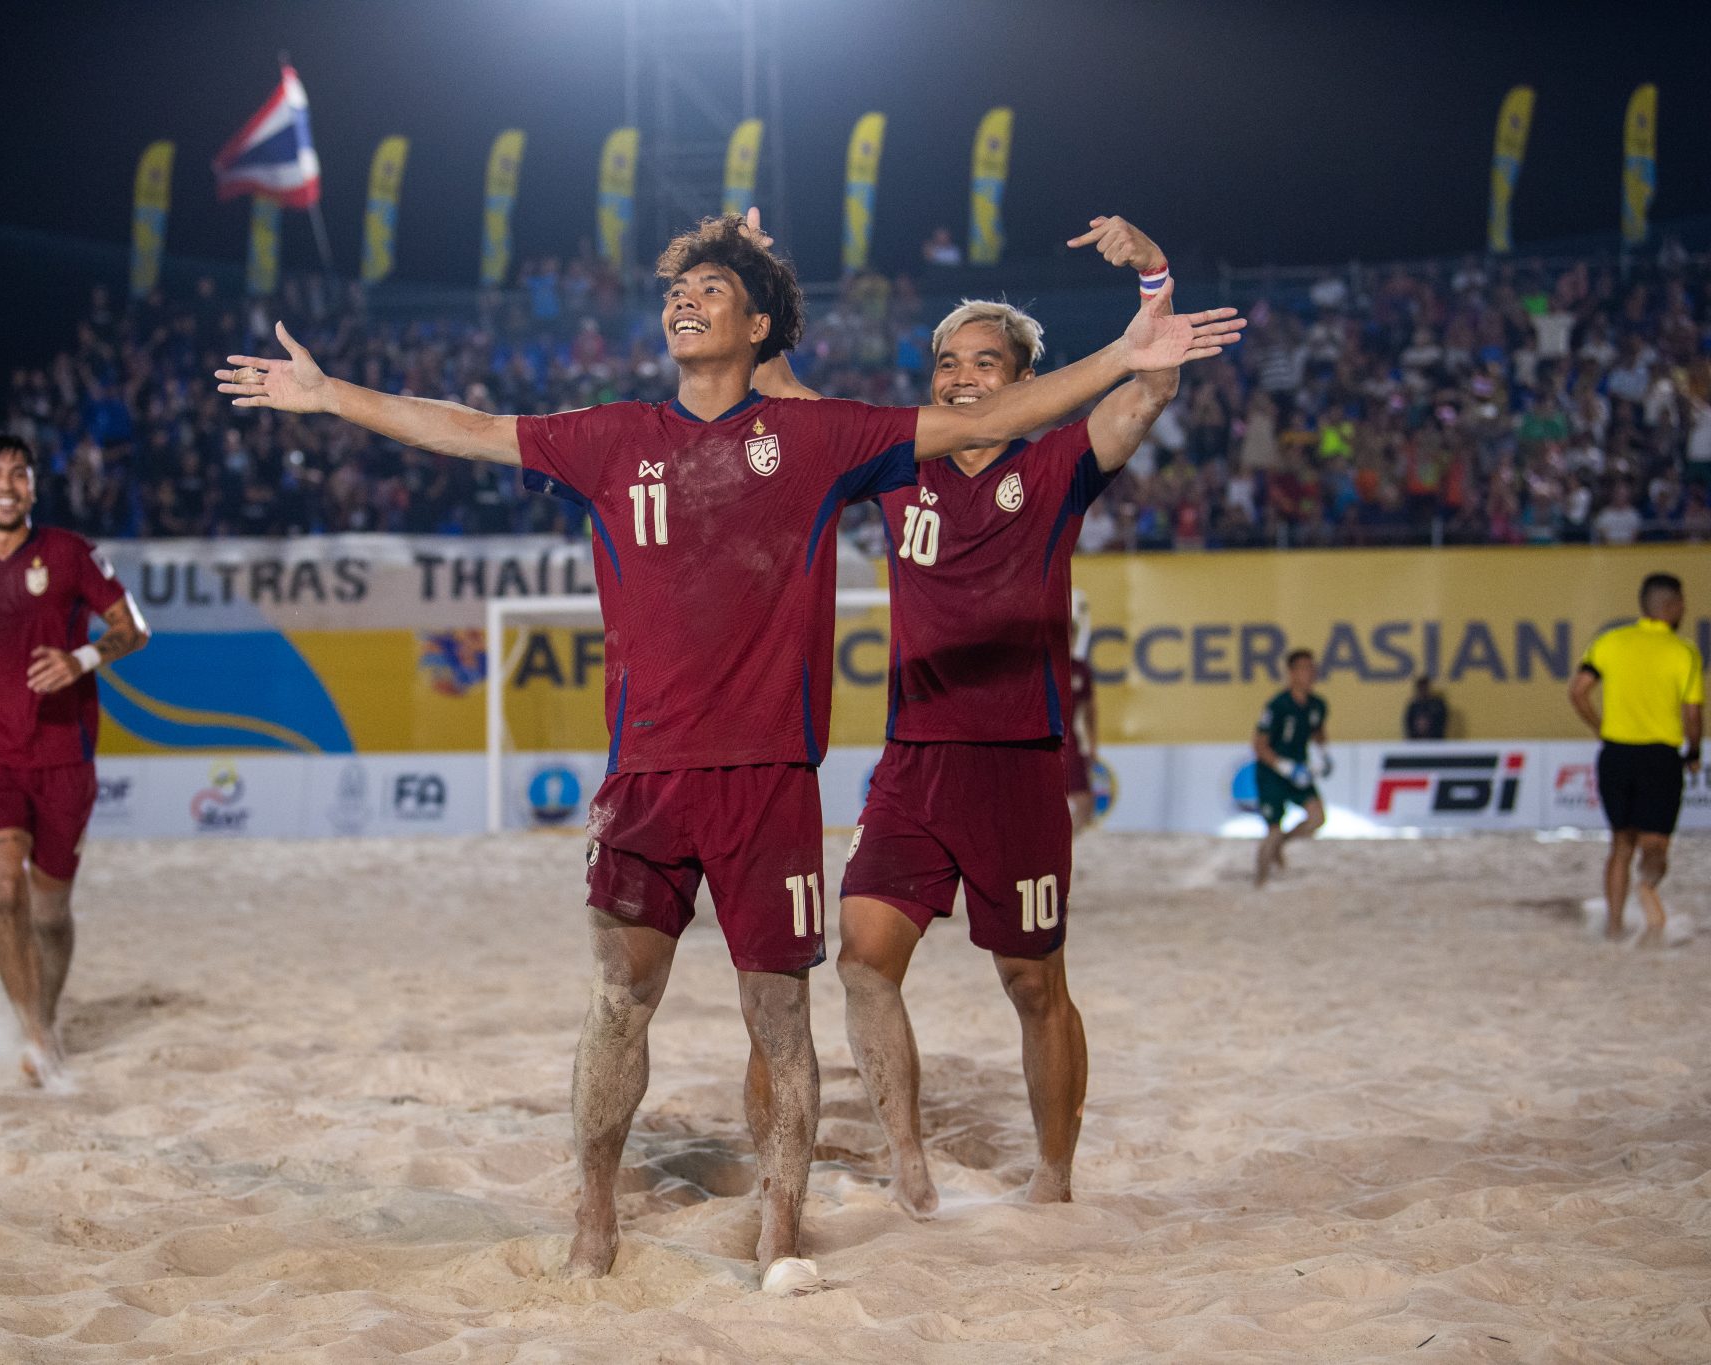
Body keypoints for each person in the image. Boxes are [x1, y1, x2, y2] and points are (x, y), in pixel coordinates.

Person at [217, 211, 1243, 1287]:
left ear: (754, 324)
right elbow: (475, 427)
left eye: (711, 290)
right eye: (677, 290)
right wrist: (330, 396)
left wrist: (1132, 339)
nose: (683, 301)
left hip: (863, 771)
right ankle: (661, 1205)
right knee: (681, 991)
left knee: (875, 1002)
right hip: (716, 772)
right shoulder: (635, 436)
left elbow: (1022, 408)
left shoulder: (874, 447)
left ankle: (866, 1214)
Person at [753, 213, 1179, 1215]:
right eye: (946, 362)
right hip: (912, 763)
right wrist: (752, 269)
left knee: (1031, 987)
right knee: (859, 959)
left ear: (1025, 381)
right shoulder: (898, 465)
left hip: (1016, 766)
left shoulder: (1062, 462)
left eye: (983, 364)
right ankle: (908, 1162)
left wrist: (1151, 274)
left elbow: (1150, 383)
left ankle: (1053, 1176)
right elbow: (776, 384)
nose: (957, 377)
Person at [0, 434, 151, 1086]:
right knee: (4, 888)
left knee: (50, 913)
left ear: (32, 489)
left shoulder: (71, 554)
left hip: (63, 756)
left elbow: (135, 627)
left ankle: (46, 1015)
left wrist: (81, 658)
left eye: (18, 472)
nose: (6, 484)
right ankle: (34, 1034)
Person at [1568, 572, 1703, 946]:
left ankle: (1613, 926)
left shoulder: (1610, 642)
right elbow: (1692, 713)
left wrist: (1602, 729)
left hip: (1616, 754)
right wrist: (1694, 751)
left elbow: (1578, 692)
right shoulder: (1684, 652)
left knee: (1620, 844)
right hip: (1659, 757)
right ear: (1670, 607)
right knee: (1656, 846)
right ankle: (1647, 889)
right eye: (1681, 602)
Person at [1254, 649, 1330, 886]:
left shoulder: (1318, 705)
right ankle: (1260, 880)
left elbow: (1318, 734)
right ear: (1292, 673)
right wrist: (1284, 767)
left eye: (1312, 668)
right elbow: (1259, 744)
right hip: (1272, 774)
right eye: (1305, 668)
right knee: (1273, 831)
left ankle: (1282, 845)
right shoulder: (1277, 705)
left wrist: (1324, 756)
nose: (1311, 673)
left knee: (1317, 818)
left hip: (1300, 771)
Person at [1064, 617, 1101, 838]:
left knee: (1085, 800)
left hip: (1068, 738)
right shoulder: (1041, 666)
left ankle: (1068, 843)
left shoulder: (1080, 670)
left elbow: (1089, 710)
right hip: (1042, 738)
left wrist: (1093, 743)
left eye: (1072, 635)